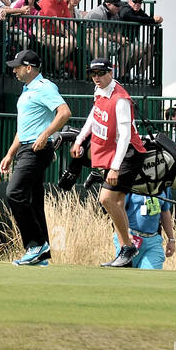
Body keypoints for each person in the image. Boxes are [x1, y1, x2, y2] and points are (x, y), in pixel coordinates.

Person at [70, 59, 148, 268]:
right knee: (117, 202)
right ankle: (125, 253)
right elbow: (94, 117)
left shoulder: (121, 98)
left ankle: (128, 246)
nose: (96, 77)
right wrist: (79, 139)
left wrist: (115, 166)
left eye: (100, 73)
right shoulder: (99, 91)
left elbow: (124, 137)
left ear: (110, 73)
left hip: (128, 153)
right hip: (116, 152)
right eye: (92, 73)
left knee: (106, 199)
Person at [0, 49, 70, 266]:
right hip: (25, 149)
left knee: (15, 193)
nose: (15, 71)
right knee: (34, 201)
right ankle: (41, 253)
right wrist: (10, 153)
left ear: (29, 68)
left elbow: (64, 112)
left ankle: (35, 245)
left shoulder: (44, 87)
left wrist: (46, 135)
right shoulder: (27, 90)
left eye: (17, 67)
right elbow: (24, 127)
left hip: (37, 149)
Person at [123, 193, 176, 269]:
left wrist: (171, 239)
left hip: (153, 241)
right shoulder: (132, 183)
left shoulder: (164, 185)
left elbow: (165, 211)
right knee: (127, 275)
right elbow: (118, 208)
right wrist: (125, 233)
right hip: (130, 239)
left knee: (151, 276)